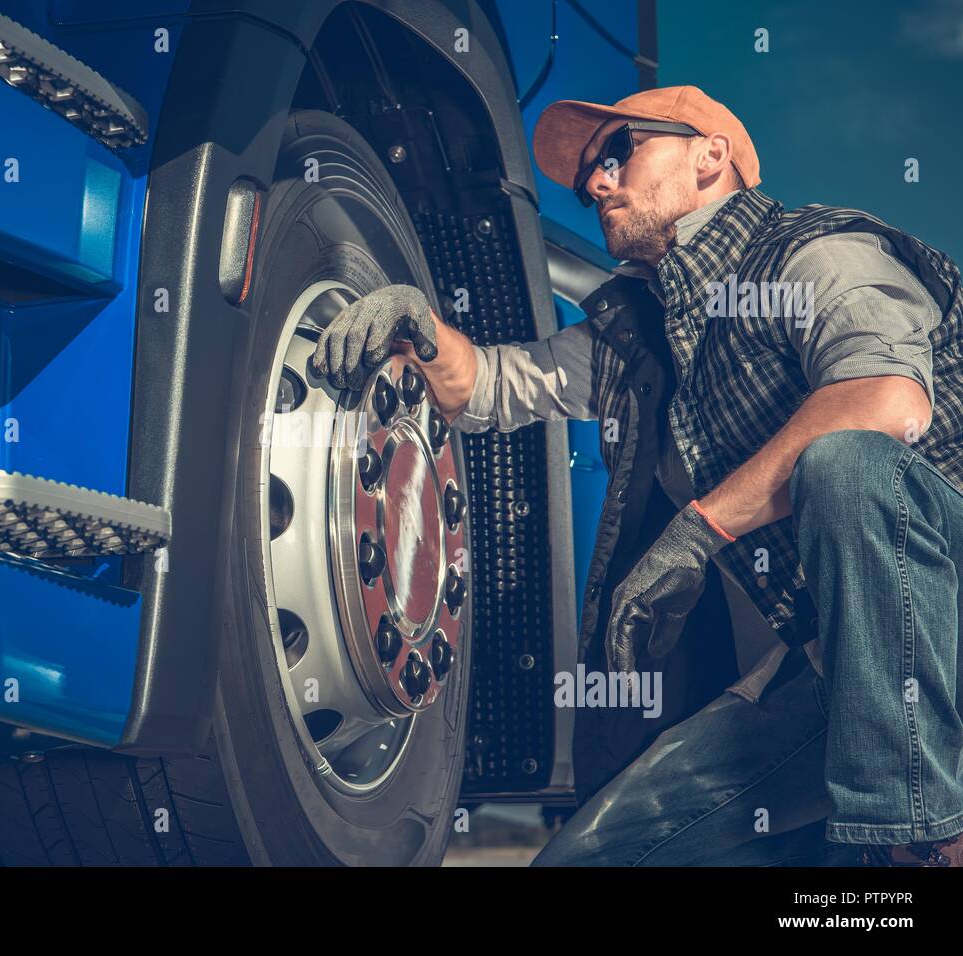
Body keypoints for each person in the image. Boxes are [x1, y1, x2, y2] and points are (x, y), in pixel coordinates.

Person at [311, 85, 963, 866]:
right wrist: (416, 323)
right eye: (589, 175)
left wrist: (697, 532)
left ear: (710, 157)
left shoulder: (815, 253)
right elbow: (485, 385)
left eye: (619, 154)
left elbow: (882, 405)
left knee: (847, 464)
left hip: (938, 620)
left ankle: (923, 845)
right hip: (845, 673)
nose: (595, 183)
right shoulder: (635, 337)